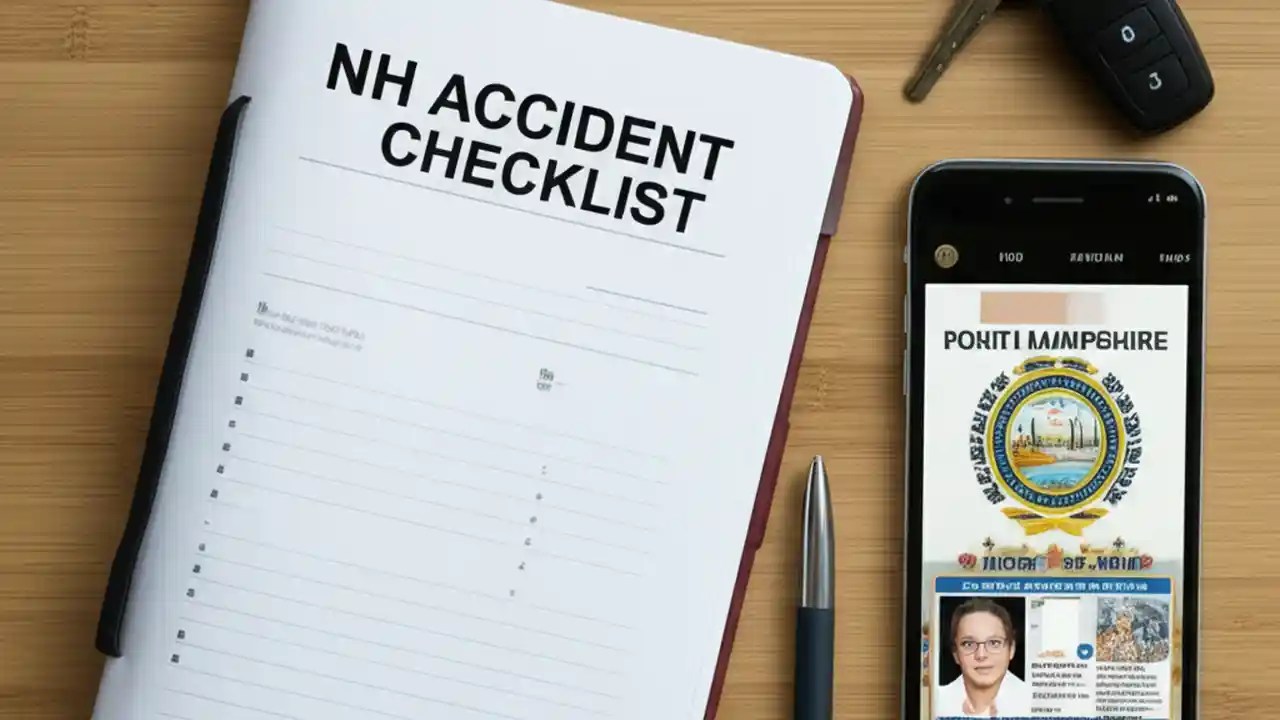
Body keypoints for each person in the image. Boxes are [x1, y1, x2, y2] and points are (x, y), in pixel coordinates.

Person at [935, 598, 1031, 717]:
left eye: (994, 643)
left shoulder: (1038, 704)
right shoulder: (934, 703)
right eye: (968, 644)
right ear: (955, 653)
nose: (981, 655)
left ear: (1011, 649)